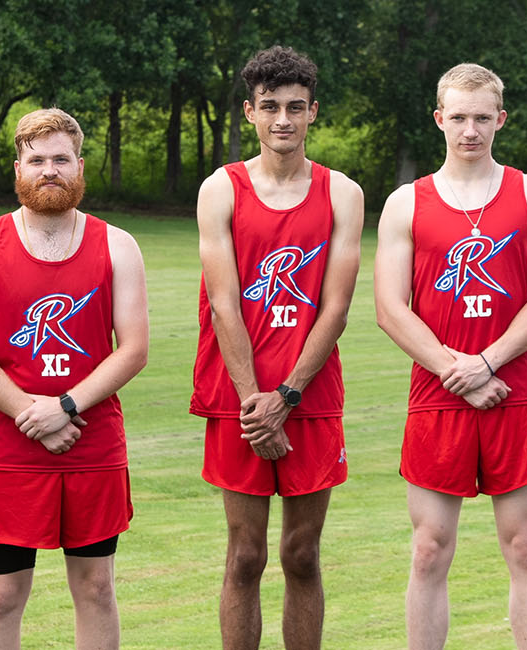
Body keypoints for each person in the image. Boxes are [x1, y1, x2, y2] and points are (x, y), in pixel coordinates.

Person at [373, 63, 527, 650]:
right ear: (439, 119)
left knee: (525, 545)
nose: (470, 129)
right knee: (430, 547)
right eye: (458, 117)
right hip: (437, 394)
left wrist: (487, 362)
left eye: (482, 118)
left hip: (513, 389)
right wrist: (456, 370)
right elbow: (390, 307)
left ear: (500, 120)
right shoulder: (408, 201)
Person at [0, 107, 148, 649]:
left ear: (80, 166)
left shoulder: (117, 244)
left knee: (96, 588)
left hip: (91, 440)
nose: (49, 170)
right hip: (9, 444)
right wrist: (28, 413)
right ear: (17, 168)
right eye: (36, 160)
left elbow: (132, 350)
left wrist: (63, 407)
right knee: (2, 594)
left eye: (61, 159)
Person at [191, 46, 365, 650]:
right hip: (238, 399)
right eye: (270, 107)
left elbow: (335, 308)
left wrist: (286, 397)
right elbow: (223, 303)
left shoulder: (341, 193)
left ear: (313, 112)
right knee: (244, 555)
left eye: (295, 107)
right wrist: (254, 404)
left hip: (308, 395)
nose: (283, 119)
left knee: (302, 555)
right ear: (250, 112)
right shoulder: (222, 189)